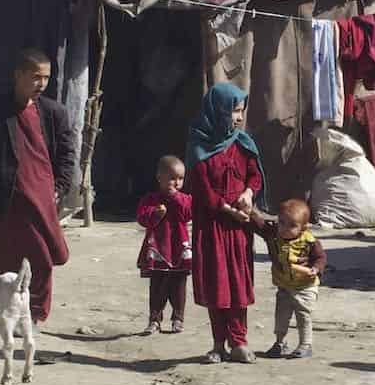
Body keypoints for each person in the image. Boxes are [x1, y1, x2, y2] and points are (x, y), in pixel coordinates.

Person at [0, 47, 75, 333]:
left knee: (42, 259)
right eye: (35, 77)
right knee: (6, 259)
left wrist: (59, 187)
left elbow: (67, 154)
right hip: (10, 198)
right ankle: (4, 312)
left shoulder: (52, 112)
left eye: (45, 78)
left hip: (41, 198)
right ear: (18, 76)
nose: (41, 84)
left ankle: (34, 314)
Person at [185, 82, 263, 363]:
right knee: (217, 285)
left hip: (238, 227)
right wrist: (230, 210)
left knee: (239, 283)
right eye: (234, 112)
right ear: (218, 112)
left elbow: (255, 176)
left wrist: (248, 193)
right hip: (213, 226)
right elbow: (204, 192)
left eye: (241, 111)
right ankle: (218, 344)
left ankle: (239, 341)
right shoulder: (199, 147)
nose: (239, 118)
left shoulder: (242, 143)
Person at [260, 197, 325, 360]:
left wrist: (315, 269)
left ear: (303, 228)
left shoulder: (310, 241)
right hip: (284, 286)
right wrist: (250, 211)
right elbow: (260, 225)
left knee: (303, 315)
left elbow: (320, 257)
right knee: (281, 316)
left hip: (305, 287)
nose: (285, 229)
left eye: (292, 226)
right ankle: (280, 343)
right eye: (281, 223)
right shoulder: (275, 237)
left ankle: (305, 344)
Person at [136, 154, 192, 335]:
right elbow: (142, 219)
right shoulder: (150, 200)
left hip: (179, 250)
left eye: (180, 179)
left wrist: (176, 197)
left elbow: (188, 213)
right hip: (158, 250)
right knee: (157, 288)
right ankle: (154, 320)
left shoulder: (184, 198)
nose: (176, 183)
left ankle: (178, 318)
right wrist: (156, 214)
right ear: (160, 178)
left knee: (179, 287)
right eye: (172, 178)